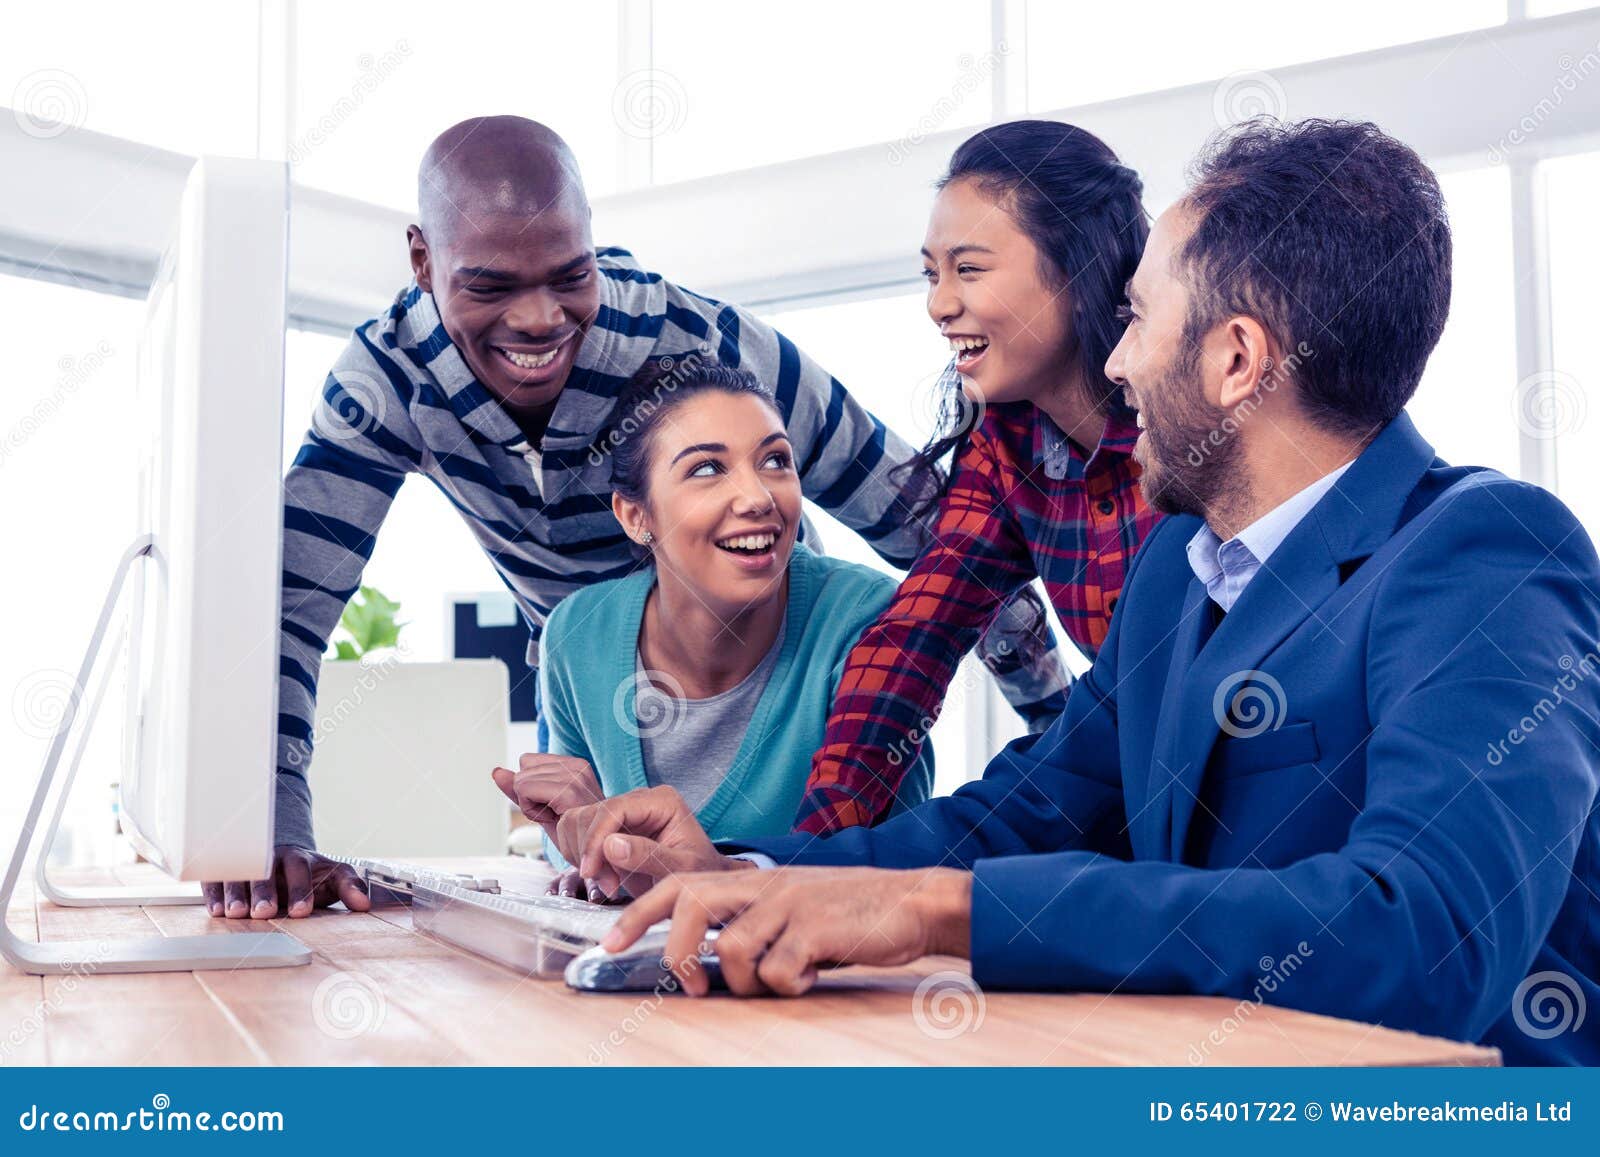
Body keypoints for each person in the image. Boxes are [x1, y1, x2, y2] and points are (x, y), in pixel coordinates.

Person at [561, 119, 1600, 1066]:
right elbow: (1026, 812)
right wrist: (746, 869)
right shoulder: (1178, 568)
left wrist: (944, 911)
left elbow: (1421, 934)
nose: (1118, 360)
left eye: (1138, 319)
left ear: (1237, 360)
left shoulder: (1486, 557)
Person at [201, 116, 1059, 921]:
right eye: (491, 285)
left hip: (783, 694)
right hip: (603, 714)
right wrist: (267, 819)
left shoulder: (706, 344)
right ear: (422, 262)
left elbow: (944, 539)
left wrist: (1063, 736)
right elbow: (292, 606)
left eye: (570, 276)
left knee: (786, 890)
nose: (539, 318)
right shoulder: (387, 380)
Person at [796, 120, 1161, 834]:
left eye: (968, 269)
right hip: (1142, 796)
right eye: (931, 274)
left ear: (1077, 268)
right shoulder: (1005, 444)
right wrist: (806, 857)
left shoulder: (1196, 428)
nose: (938, 304)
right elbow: (914, 639)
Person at [493, 367, 933, 898]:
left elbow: (898, 863)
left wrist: (701, 876)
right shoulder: (577, 634)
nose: (757, 498)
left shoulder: (868, 620)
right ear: (635, 515)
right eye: (707, 468)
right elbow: (573, 843)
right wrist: (589, 845)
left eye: (775, 461)